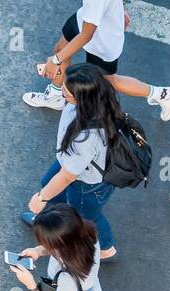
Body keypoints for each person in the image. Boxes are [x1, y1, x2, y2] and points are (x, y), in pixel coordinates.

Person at [22, 65, 120, 261]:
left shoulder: (86, 137)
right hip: (71, 163)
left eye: (66, 93)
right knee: (49, 185)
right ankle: (49, 220)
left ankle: (107, 249)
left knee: (87, 217)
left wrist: (40, 198)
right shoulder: (96, 100)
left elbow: (67, 176)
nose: (62, 93)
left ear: (81, 98)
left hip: (87, 183)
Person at [23, 1, 170, 121]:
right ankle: (56, 96)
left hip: (102, 40)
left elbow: (86, 36)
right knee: (60, 47)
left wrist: (55, 61)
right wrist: (119, 8)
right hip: (86, 18)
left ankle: (163, 94)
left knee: (107, 81)